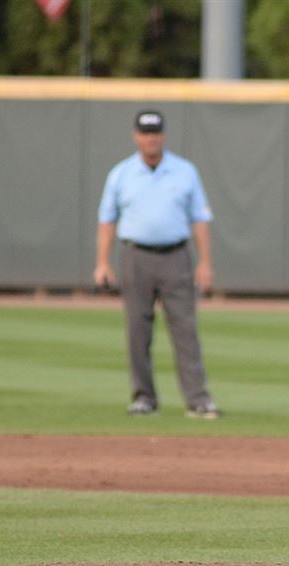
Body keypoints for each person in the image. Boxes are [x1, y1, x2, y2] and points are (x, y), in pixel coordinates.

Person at [93, 110, 221, 420]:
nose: (151, 138)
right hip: (135, 255)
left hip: (176, 256)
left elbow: (200, 220)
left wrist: (205, 263)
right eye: (145, 132)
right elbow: (107, 220)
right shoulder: (121, 173)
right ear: (136, 136)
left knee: (185, 329)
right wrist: (102, 263)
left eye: (156, 132)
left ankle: (197, 399)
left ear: (163, 135)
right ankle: (143, 397)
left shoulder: (184, 171)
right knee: (138, 329)